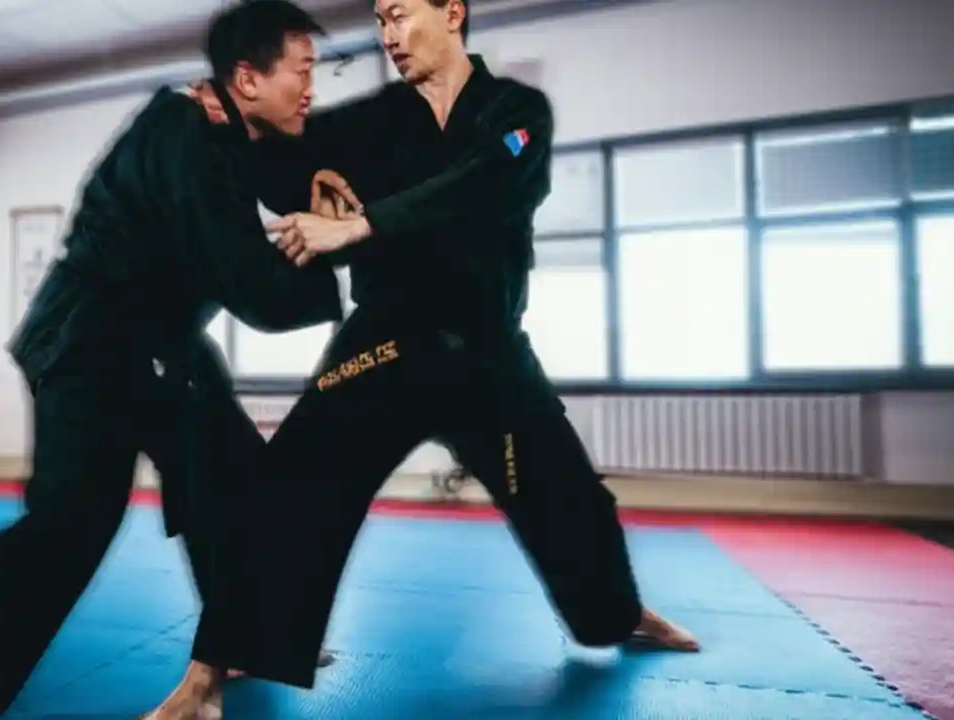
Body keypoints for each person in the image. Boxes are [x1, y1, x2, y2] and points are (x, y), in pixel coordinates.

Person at [148, 0, 700, 714]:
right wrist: (226, 117)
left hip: (488, 350)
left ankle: (615, 615)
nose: (387, 34)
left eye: (400, 14)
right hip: (386, 343)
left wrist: (361, 227)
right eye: (379, 19)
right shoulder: (375, 121)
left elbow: (488, 187)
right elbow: (279, 156)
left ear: (452, 12)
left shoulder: (514, 111)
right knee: (286, 490)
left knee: (570, 499)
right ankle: (212, 676)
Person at [0, 3, 344, 719]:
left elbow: (279, 172)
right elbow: (256, 292)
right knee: (73, 519)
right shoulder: (188, 141)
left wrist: (332, 195)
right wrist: (333, 244)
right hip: (91, 344)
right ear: (246, 78)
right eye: (301, 71)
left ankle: (243, 640)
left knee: (238, 479)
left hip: (162, 348)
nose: (311, 88)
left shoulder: (225, 131)